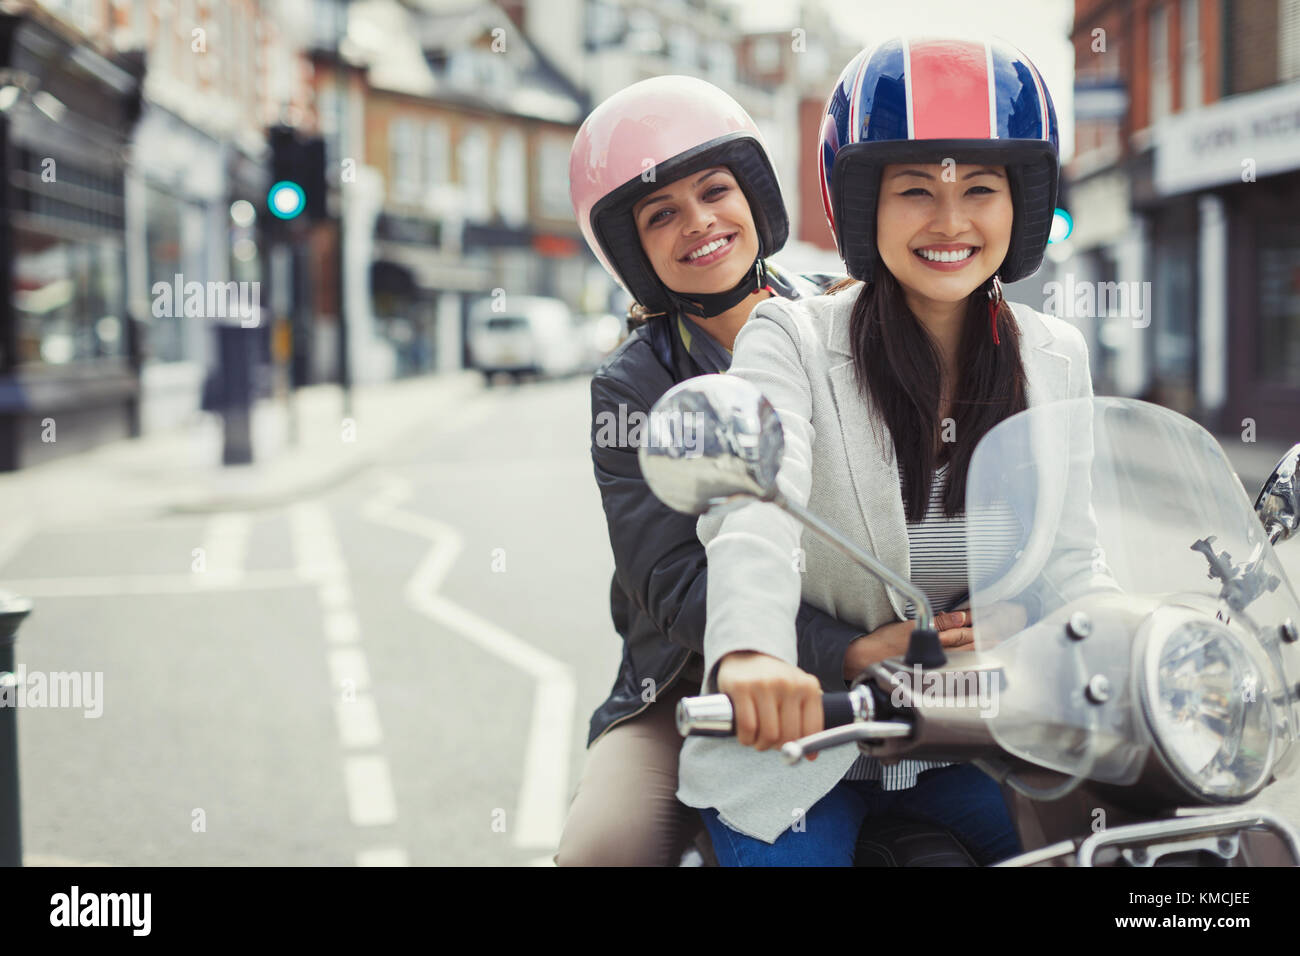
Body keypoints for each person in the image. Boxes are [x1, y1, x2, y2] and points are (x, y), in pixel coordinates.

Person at [679, 35, 1091, 866]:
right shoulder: (790, 333)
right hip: (806, 745)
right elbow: (755, 499)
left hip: (974, 738)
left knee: (1119, 850)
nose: (950, 220)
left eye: (980, 188)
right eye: (915, 190)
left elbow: (1079, 558)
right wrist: (753, 656)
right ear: (865, 207)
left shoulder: (1056, 353)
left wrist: (1111, 635)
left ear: (1022, 206)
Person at [555, 75, 972, 866]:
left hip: (892, 641)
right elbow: (674, 579)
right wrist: (850, 649)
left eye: (715, 190)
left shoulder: (848, 311)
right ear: (631, 250)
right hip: (696, 674)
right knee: (601, 850)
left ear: (754, 195)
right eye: (661, 213)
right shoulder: (631, 386)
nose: (700, 222)